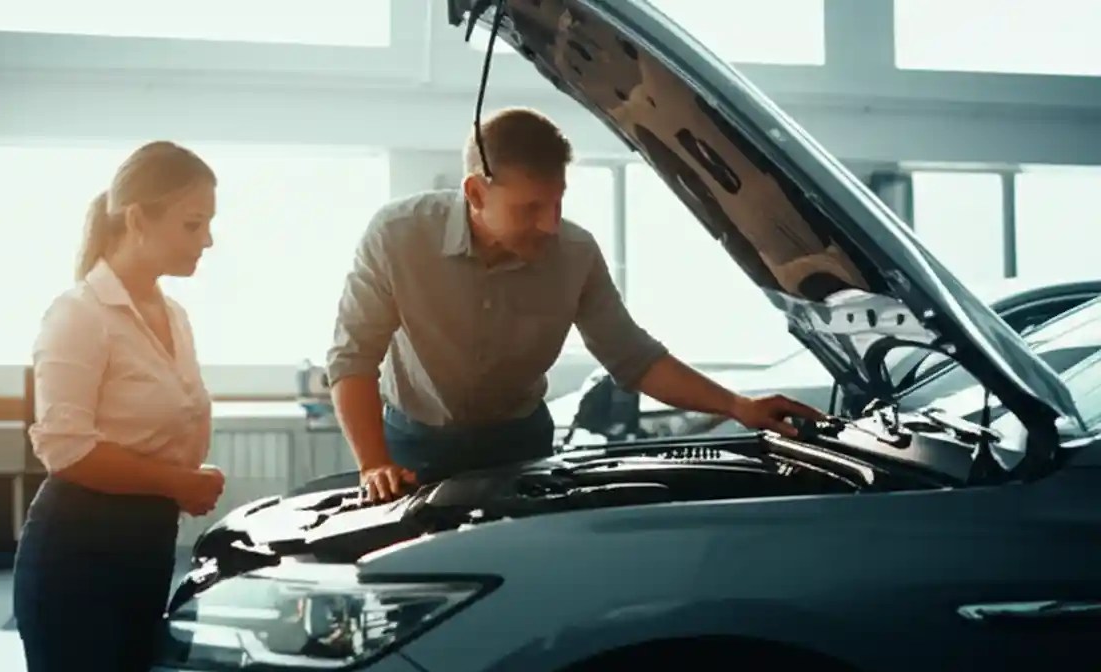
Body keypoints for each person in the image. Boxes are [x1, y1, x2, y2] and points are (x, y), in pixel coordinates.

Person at [327, 107, 824, 503]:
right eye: (530, 208)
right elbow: (353, 359)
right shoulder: (397, 236)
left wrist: (736, 406)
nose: (549, 224)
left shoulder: (576, 252)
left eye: (558, 202)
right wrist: (373, 464)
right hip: (415, 445)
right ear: (476, 192)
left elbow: (633, 357)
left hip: (519, 446)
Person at [13, 140, 227, 672]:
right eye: (193, 223)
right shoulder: (78, 314)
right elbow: (66, 451)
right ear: (137, 220)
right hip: (77, 551)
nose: (207, 239)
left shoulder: (173, 315)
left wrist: (181, 480)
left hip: (145, 547)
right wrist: (176, 484)